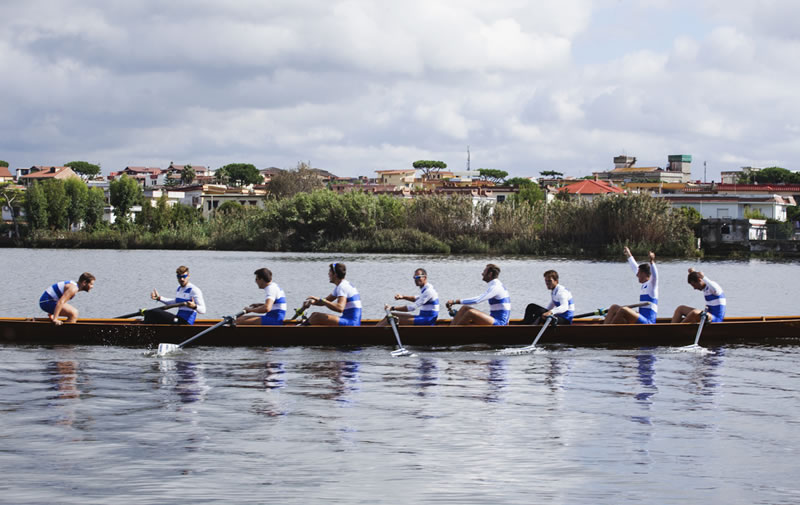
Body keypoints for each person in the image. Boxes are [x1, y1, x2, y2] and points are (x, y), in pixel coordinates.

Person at [604, 247, 658, 324]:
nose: (637, 275)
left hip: (648, 323)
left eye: (638, 273)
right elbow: (634, 267)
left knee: (624, 310)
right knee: (613, 307)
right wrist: (629, 254)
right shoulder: (644, 284)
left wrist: (652, 261)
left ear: (644, 274)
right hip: (640, 318)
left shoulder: (652, 286)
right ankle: (604, 328)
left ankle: (606, 332)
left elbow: (655, 276)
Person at [446, 264, 511, 326]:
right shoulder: (496, 285)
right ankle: (451, 329)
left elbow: (477, 300)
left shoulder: (496, 287)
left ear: (490, 274)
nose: (482, 274)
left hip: (500, 323)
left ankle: (453, 334)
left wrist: (455, 301)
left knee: (470, 312)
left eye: (484, 272)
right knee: (464, 308)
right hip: (494, 319)